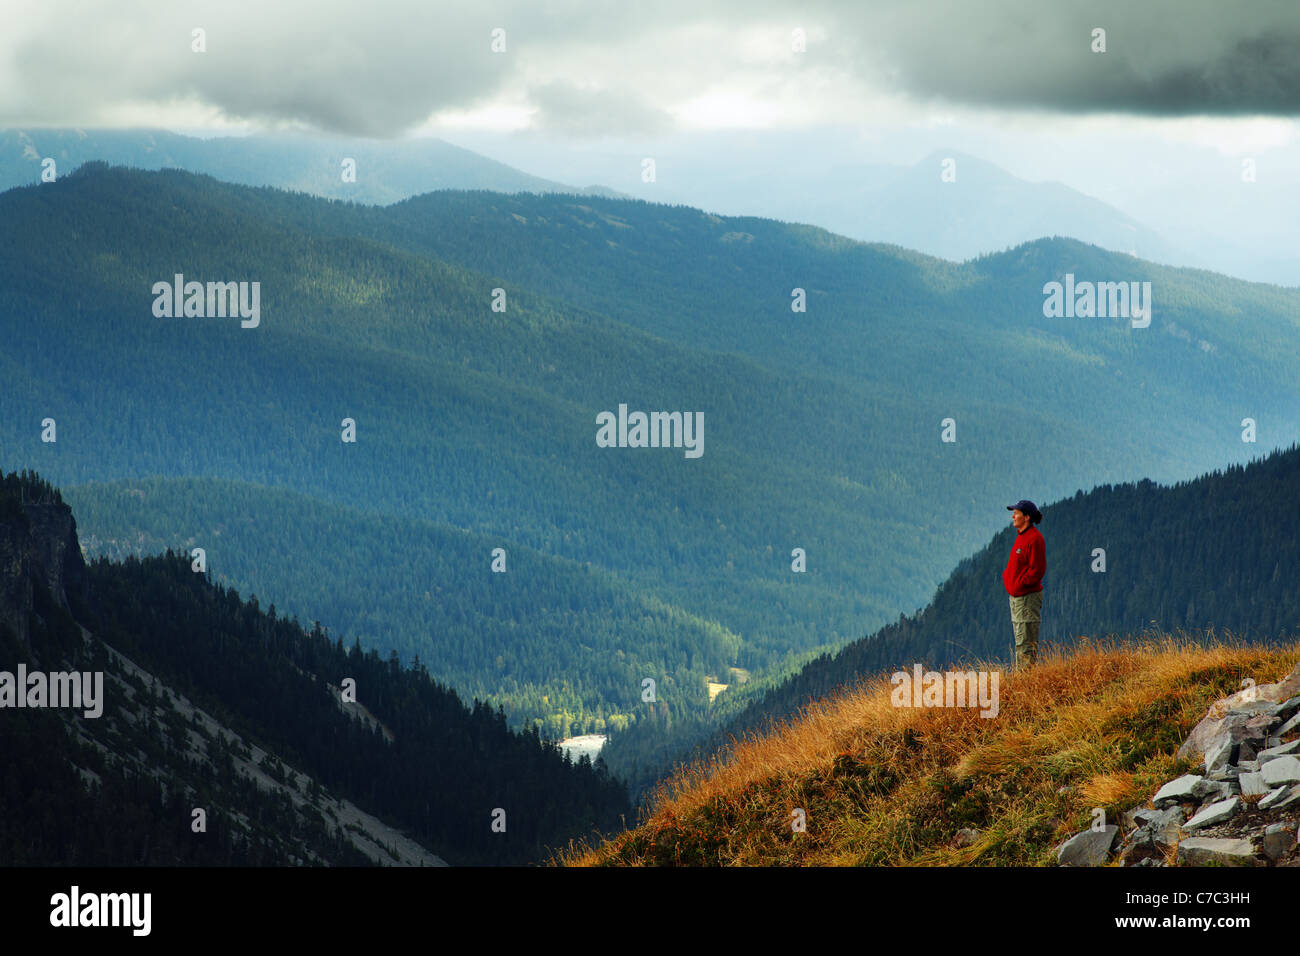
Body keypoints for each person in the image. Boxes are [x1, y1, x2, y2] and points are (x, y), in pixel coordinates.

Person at [1003, 499, 1045, 671]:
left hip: (1026, 599)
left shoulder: (1034, 539)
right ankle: (1023, 680)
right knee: (1020, 640)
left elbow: (1037, 570)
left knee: (1025, 644)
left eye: (1016, 513)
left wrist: (1019, 586)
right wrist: (1008, 579)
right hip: (1018, 598)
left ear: (1026, 517)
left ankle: (1026, 683)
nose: (1013, 516)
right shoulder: (1022, 537)